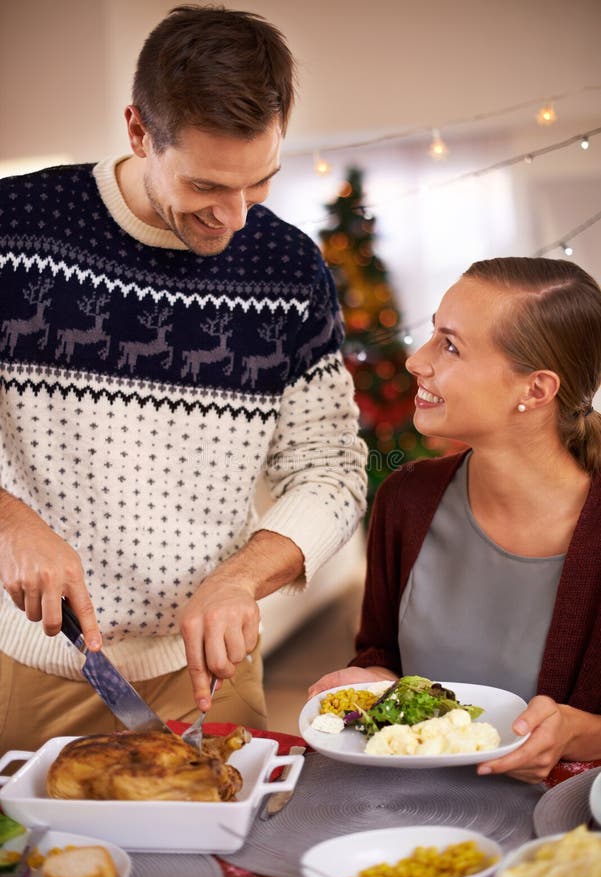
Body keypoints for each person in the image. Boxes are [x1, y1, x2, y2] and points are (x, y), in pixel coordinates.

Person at [0, 4, 367, 753]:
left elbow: (330, 469)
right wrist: (9, 521)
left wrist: (242, 579)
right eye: (205, 186)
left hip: (210, 674)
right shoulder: (16, 225)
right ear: (139, 131)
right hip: (27, 669)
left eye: (258, 183)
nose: (234, 219)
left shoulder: (289, 268)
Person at [310, 256, 601, 783]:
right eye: (432, 335)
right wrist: (370, 680)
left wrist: (575, 732)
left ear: (535, 390)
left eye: (450, 346)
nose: (415, 361)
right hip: (409, 805)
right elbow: (381, 654)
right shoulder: (406, 498)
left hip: (565, 822)